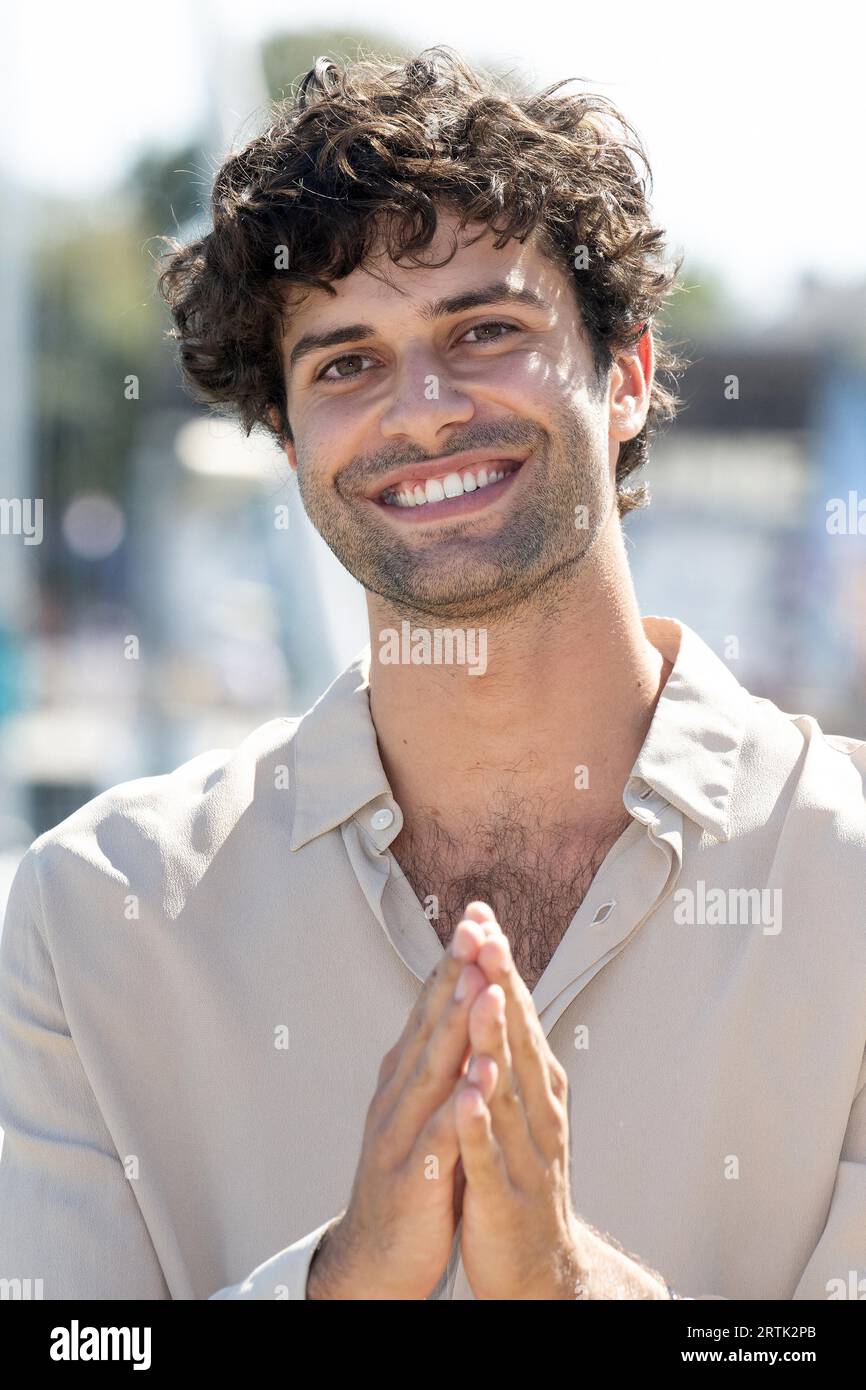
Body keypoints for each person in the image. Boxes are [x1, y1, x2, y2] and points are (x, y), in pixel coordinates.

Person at [1, 46, 864, 1302]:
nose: (421, 407)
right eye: (343, 362)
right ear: (290, 441)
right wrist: (335, 1286)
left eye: (485, 329)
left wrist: (572, 1289)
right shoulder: (91, 923)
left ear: (622, 375)